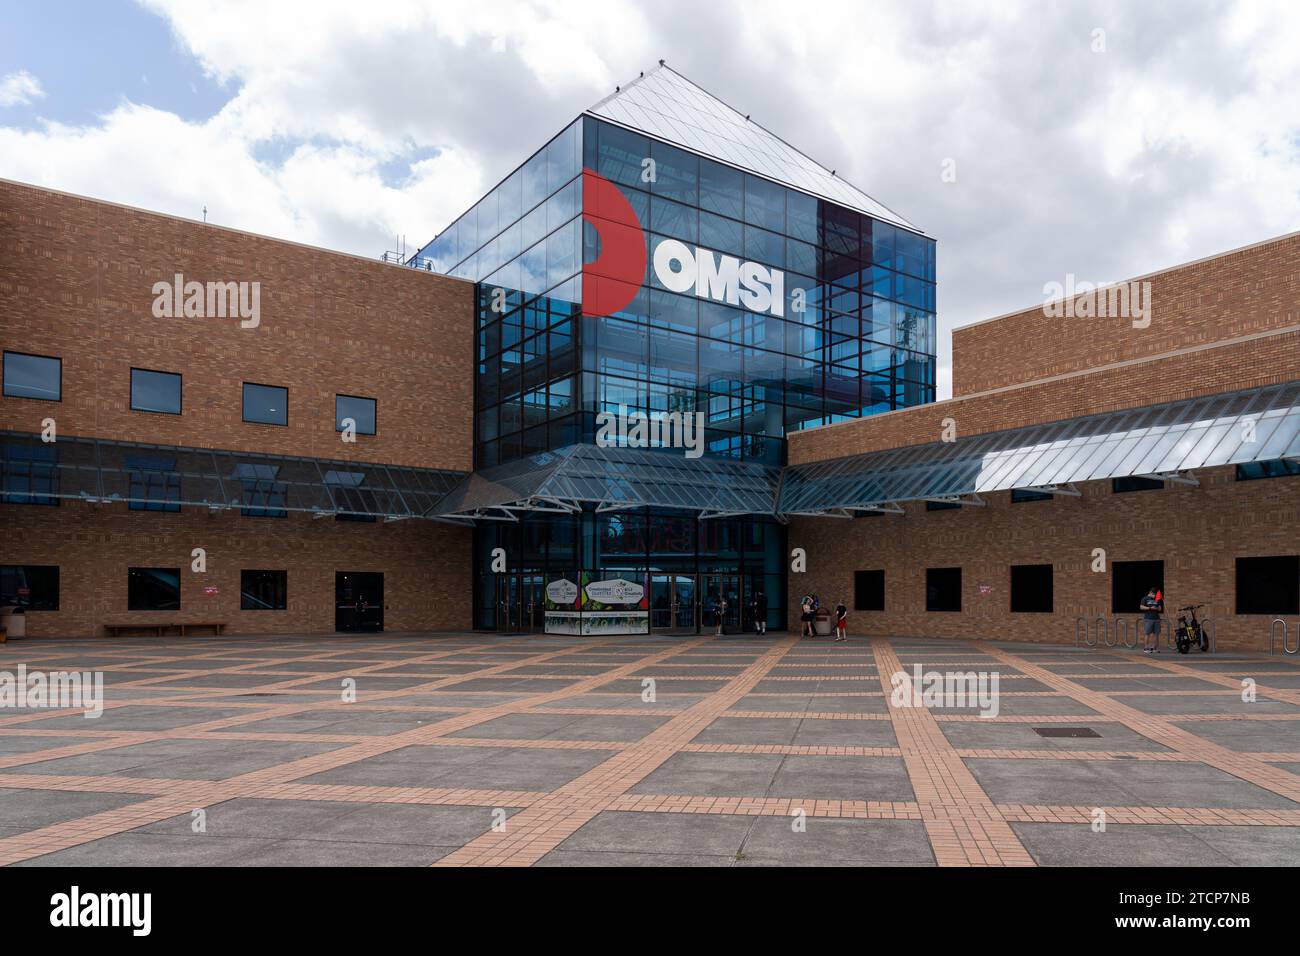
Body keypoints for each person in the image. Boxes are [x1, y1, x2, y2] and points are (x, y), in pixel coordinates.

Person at [1140, 586, 1162, 653]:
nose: (1154, 595)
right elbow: (1141, 607)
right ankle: (1146, 648)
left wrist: (1156, 608)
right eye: (1153, 594)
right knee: (1147, 633)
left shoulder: (1157, 599)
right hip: (1148, 618)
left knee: (1156, 634)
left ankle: (1154, 648)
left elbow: (1160, 608)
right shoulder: (1145, 598)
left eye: (1155, 594)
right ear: (1150, 592)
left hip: (1156, 618)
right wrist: (1149, 608)